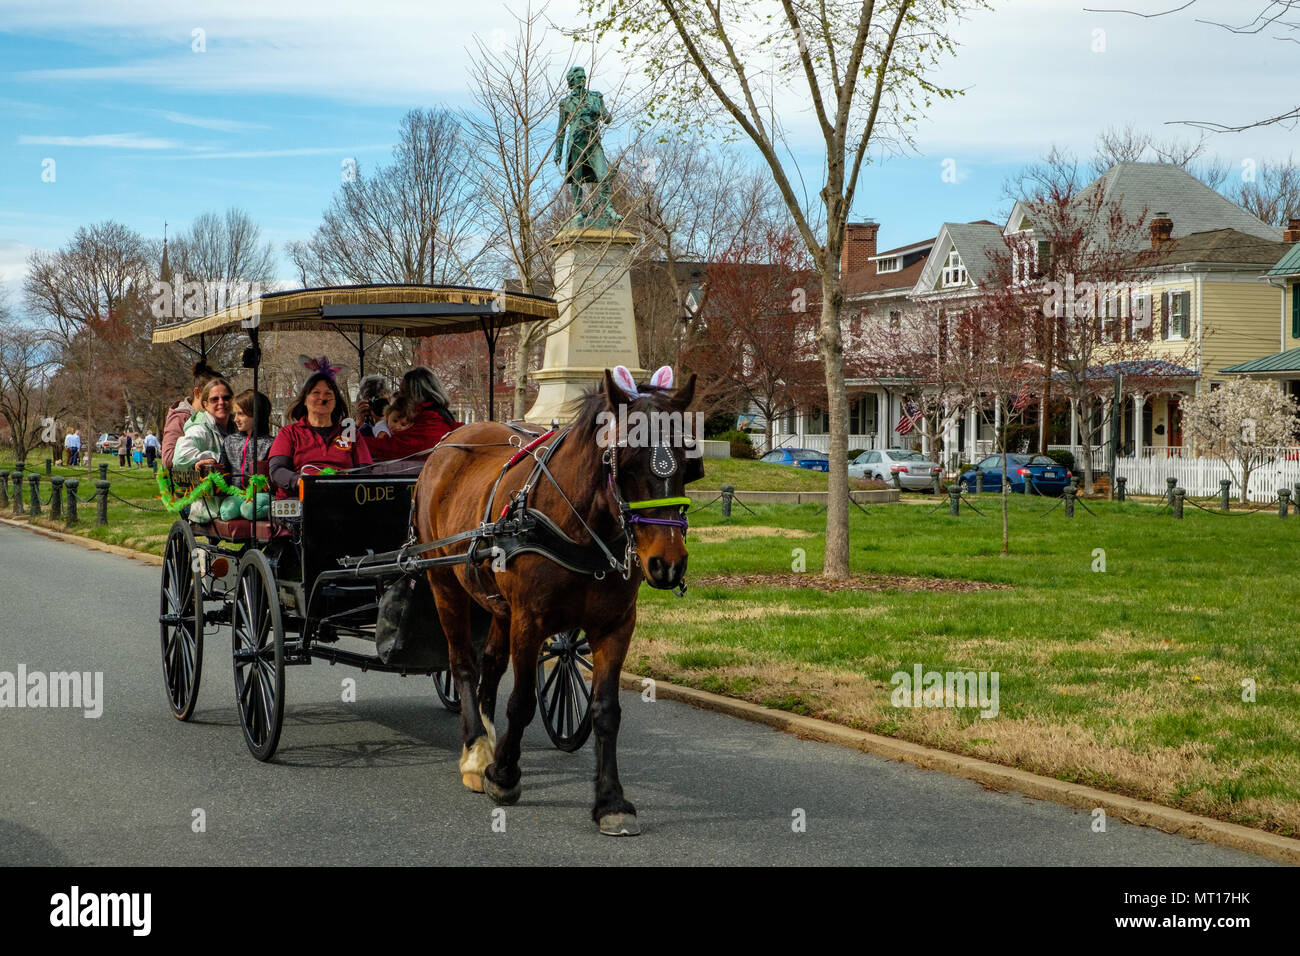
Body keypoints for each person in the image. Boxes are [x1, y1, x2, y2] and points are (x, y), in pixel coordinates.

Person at [268, 370, 373, 495]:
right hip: (300, 499)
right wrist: (301, 482)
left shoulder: (350, 433)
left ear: (335, 402)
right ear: (305, 400)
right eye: (316, 393)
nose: (322, 398)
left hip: (343, 498)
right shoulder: (288, 432)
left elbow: (365, 471)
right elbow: (277, 470)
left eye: (328, 393)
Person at [364, 366, 460, 463]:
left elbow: (398, 448)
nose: (399, 399)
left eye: (402, 393)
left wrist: (358, 441)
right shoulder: (436, 415)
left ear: (414, 396)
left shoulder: (432, 420)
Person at [218, 390, 274, 520]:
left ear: (257, 414)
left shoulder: (271, 443)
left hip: (262, 495)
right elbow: (223, 469)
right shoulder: (229, 441)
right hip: (236, 493)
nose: (235, 419)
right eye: (235, 414)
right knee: (227, 512)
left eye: (241, 414)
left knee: (249, 510)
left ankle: (277, 510)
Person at [163, 362, 222, 470]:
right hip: (190, 484)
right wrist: (202, 458)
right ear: (197, 392)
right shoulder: (180, 417)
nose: (220, 402)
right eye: (213, 397)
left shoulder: (220, 417)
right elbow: (168, 458)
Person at [173, 377, 236, 474]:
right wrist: (212, 458)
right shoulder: (200, 428)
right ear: (205, 404)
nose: (221, 402)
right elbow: (180, 459)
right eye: (214, 399)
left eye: (226, 398)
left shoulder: (239, 426)